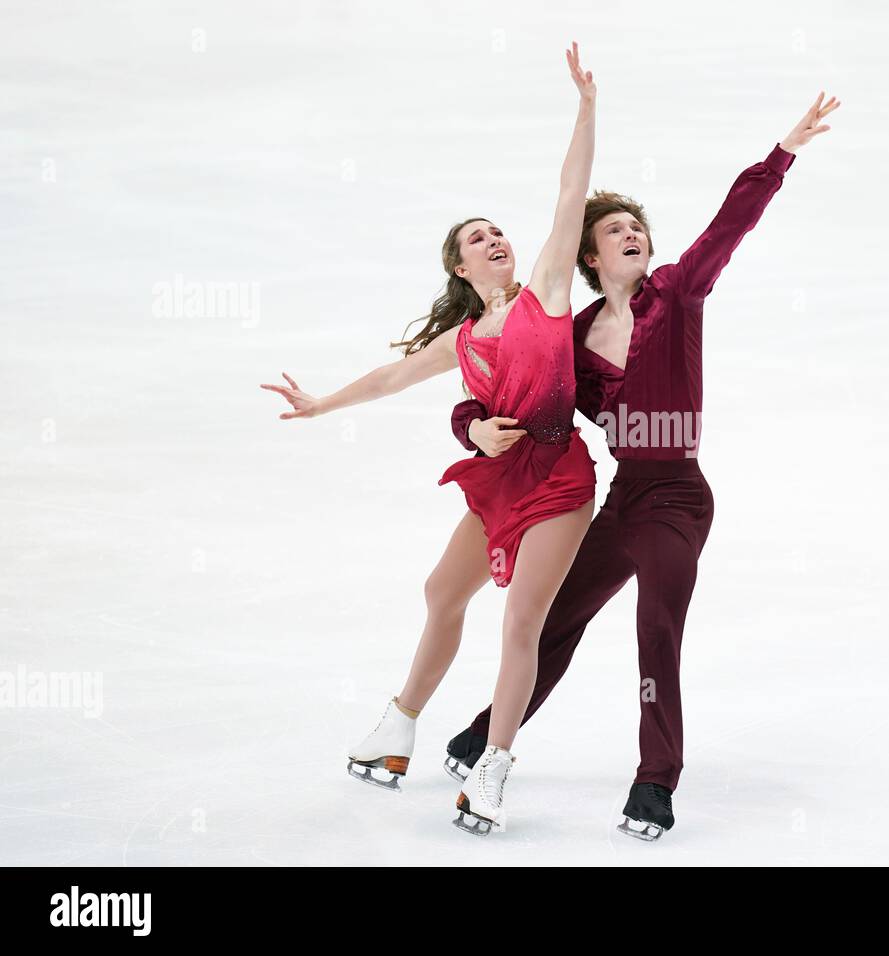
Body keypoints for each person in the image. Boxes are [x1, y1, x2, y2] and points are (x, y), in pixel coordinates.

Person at [445, 93, 839, 840]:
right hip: (623, 498)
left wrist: (780, 153)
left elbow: (733, 221)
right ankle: (481, 736)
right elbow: (525, 394)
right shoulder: (578, 333)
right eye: (614, 230)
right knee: (557, 616)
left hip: (678, 500)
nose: (632, 234)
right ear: (590, 257)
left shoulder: (679, 293)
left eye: (637, 227)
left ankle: (655, 782)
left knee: (655, 629)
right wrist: (470, 422)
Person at [261, 42, 600, 835]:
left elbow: (570, 194)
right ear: (459, 264)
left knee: (520, 623)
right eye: (477, 238)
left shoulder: (545, 294)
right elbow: (388, 380)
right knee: (442, 594)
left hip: (557, 479)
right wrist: (320, 406)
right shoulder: (465, 338)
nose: (495, 240)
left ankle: (493, 767)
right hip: (500, 481)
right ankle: (399, 729)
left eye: (497, 232)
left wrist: (586, 108)